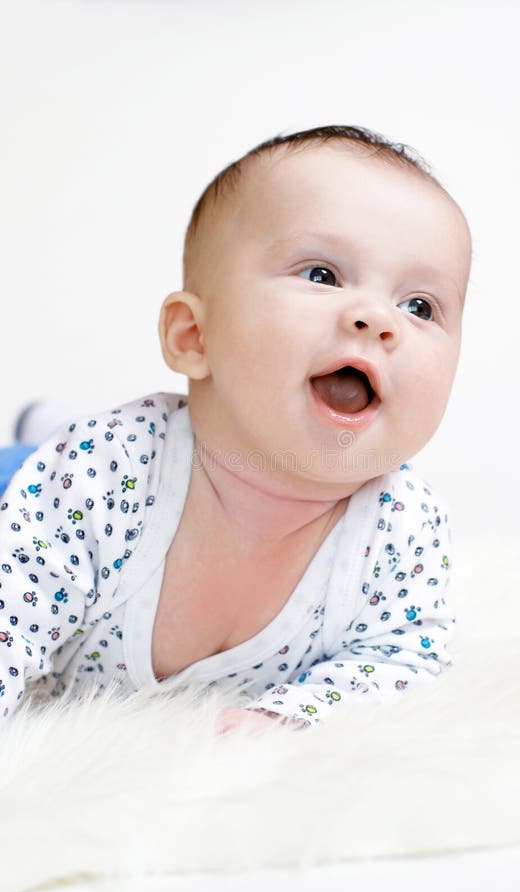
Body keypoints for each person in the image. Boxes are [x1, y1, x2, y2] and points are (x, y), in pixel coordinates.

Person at [0, 125, 471, 733]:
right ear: (194, 337)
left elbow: (405, 660)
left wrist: (290, 718)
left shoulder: (401, 529)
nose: (379, 319)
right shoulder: (100, 474)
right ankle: (44, 432)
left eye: (420, 307)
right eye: (323, 275)